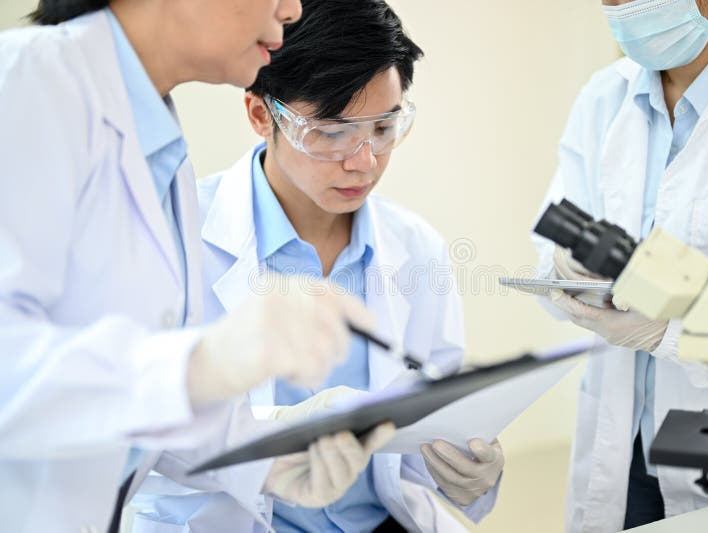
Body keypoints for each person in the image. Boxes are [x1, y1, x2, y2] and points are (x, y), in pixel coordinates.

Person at [0, 1, 391, 532]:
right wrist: (200, 365)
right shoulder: (29, 80)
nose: (291, 8)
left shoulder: (156, 135)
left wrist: (265, 456)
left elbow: (130, 408)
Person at [130, 1, 504, 531]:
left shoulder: (417, 247)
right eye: (331, 131)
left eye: (383, 127)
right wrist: (276, 437)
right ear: (261, 115)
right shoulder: (174, 233)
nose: (363, 161)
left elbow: (425, 427)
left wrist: (465, 467)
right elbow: (137, 436)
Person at [531, 0, 708, 531]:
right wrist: (566, 268)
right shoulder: (603, 97)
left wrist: (672, 331)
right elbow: (549, 257)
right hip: (620, 458)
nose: (623, 10)